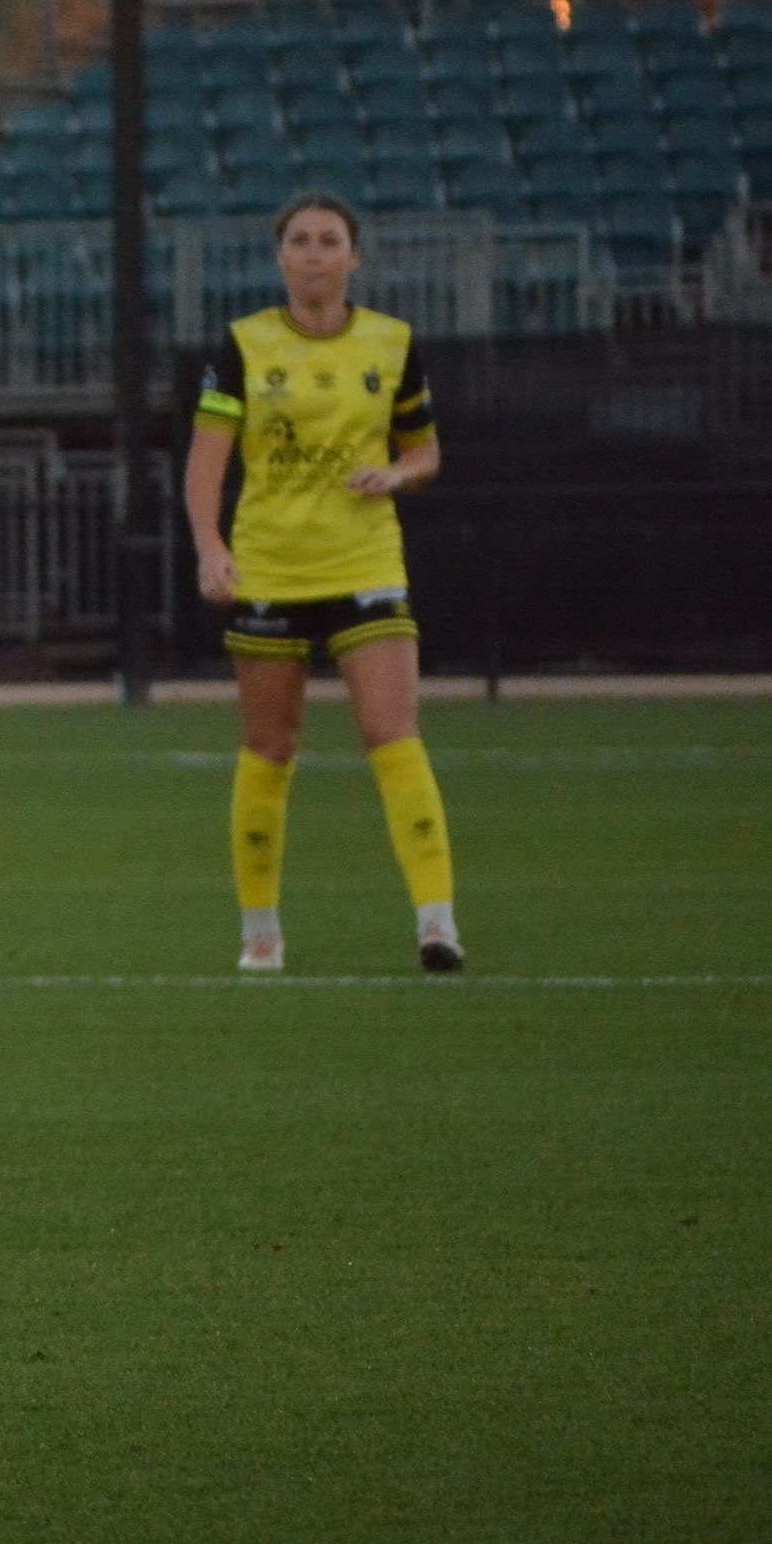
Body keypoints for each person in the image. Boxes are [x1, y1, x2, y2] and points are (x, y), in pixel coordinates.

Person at [186, 193, 462, 974]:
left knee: (392, 731)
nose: (315, 253)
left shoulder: (392, 342)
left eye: (329, 240)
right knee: (269, 746)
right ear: (281, 257)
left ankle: (437, 923)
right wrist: (210, 546)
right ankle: (260, 930)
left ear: (353, 257)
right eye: (301, 241)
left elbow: (426, 450)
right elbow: (206, 459)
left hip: (364, 561)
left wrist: (399, 473)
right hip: (272, 565)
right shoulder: (244, 344)